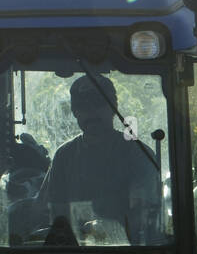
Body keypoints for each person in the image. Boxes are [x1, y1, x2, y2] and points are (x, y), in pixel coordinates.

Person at [37, 74, 160, 242]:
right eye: (83, 107)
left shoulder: (137, 154)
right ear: (74, 112)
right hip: (74, 251)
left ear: (113, 108)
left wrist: (108, 230)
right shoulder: (64, 156)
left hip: (130, 251)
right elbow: (52, 212)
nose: (91, 113)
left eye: (99, 105)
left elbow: (144, 213)